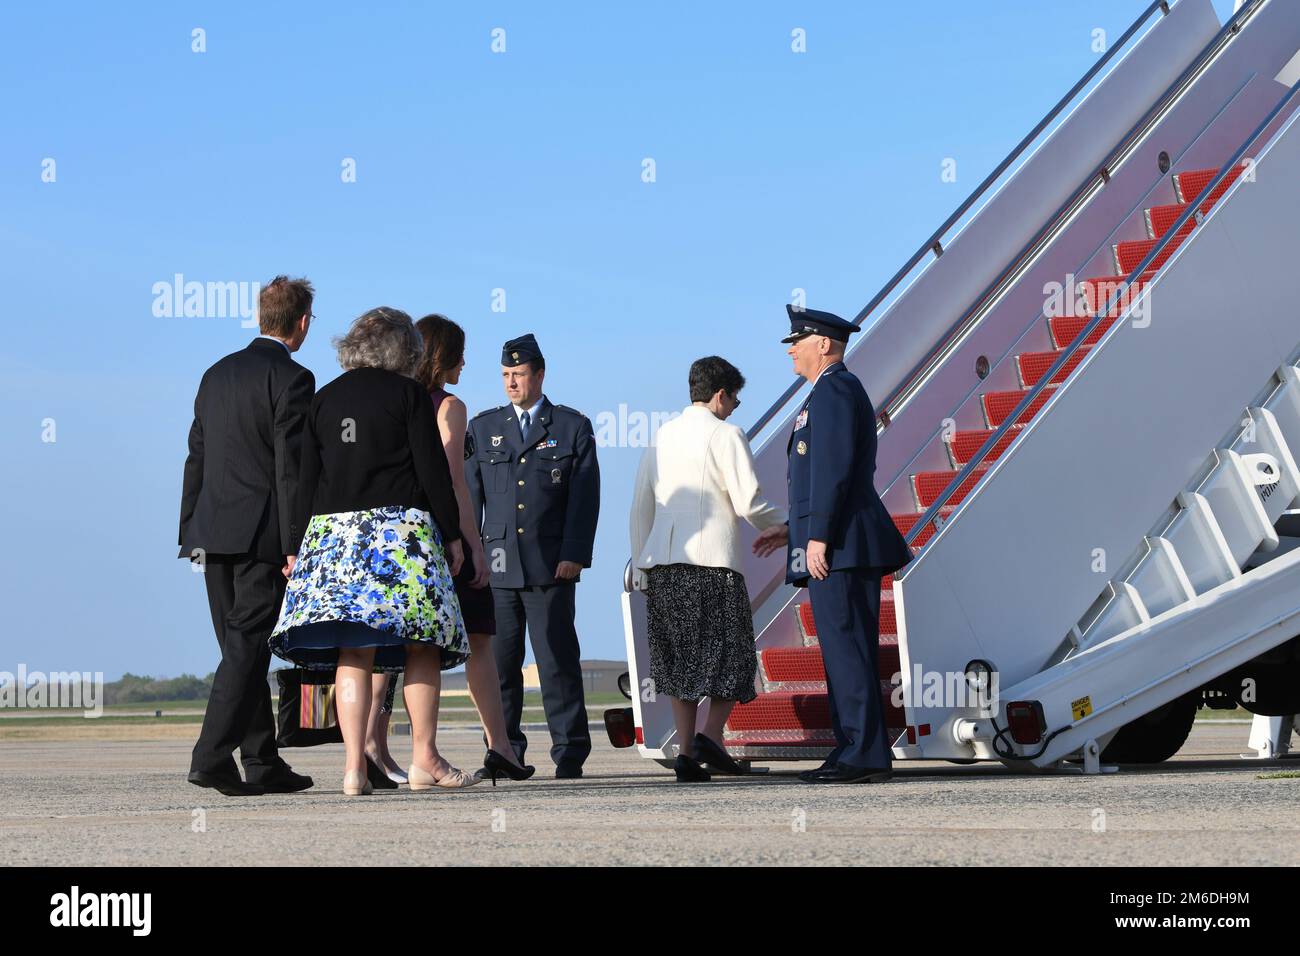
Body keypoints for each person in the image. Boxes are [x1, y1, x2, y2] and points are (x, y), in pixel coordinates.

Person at [270, 307, 477, 795]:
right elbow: (433, 472)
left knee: (353, 650)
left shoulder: (323, 399)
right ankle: (425, 760)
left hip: (334, 540)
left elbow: (305, 481)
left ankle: (352, 769)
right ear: (404, 349)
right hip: (400, 537)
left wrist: (295, 546)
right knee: (423, 645)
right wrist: (453, 535)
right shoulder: (408, 395)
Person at [753, 305, 912, 784]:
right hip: (831, 539)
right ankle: (852, 748)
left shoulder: (837, 389)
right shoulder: (823, 393)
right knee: (842, 649)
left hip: (842, 543)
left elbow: (836, 470)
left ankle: (864, 753)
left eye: (797, 343)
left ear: (824, 344)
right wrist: (794, 531)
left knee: (849, 649)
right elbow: (818, 476)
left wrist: (817, 535)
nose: (791, 353)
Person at [179, 275, 317, 797]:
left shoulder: (214, 375)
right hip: (262, 538)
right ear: (301, 322)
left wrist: (188, 529)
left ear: (262, 317)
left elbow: (198, 455)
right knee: (244, 649)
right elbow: (290, 469)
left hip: (210, 534)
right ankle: (211, 758)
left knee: (243, 649)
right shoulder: (293, 378)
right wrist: (294, 542)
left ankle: (261, 760)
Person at [630, 356, 787, 783]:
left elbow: (640, 507)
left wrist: (641, 562)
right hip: (713, 563)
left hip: (663, 563)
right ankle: (711, 736)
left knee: (679, 661)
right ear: (720, 395)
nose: (736, 407)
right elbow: (748, 501)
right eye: (735, 398)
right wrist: (788, 526)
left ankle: (686, 751)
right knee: (731, 655)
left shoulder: (660, 437)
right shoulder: (727, 434)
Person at [464, 333, 600, 778]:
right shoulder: (484, 428)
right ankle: (505, 750)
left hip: (550, 563)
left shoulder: (571, 427)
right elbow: (471, 497)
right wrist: (471, 556)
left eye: (519, 374)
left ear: (540, 374)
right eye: (505, 375)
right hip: (497, 566)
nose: (511, 382)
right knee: (500, 665)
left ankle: (570, 753)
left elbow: (584, 498)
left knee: (556, 662)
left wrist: (575, 553)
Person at [415, 314, 534, 784]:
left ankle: (375, 752)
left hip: (401, 538)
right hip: (446, 537)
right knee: (480, 640)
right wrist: (472, 543)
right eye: (459, 352)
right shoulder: (449, 405)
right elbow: (454, 481)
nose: (465, 361)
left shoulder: (397, 401)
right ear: (440, 355)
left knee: (403, 648)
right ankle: (500, 744)